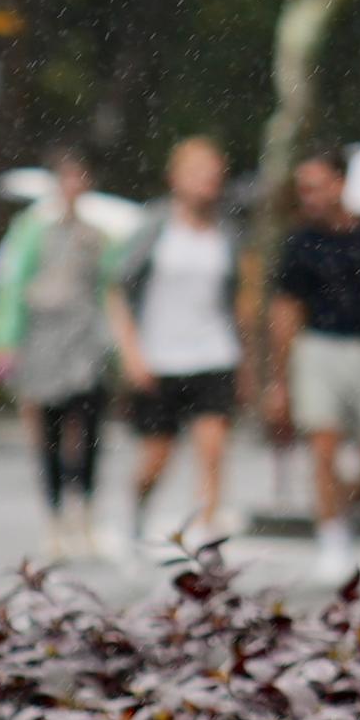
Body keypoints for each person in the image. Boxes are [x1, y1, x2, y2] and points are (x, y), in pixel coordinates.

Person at [265, 152, 360, 580]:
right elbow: (285, 309)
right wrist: (279, 378)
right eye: (304, 189)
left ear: (340, 183)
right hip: (319, 347)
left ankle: (344, 509)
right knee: (324, 444)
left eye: (316, 186)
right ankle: (331, 535)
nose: (309, 197)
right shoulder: (299, 242)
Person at [106, 138, 248, 550]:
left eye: (213, 173)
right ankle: (136, 513)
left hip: (214, 353)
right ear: (175, 177)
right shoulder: (154, 225)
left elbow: (237, 295)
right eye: (198, 172)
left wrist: (247, 360)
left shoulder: (228, 230)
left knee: (213, 449)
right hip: (160, 356)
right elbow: (117, 290)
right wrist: (131, 352)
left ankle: (206, 535)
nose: (207, 181)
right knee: (156, 459)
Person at [0, 145, 120, 559]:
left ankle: (86, 514)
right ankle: (55, 519)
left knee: (91, 430)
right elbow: (11, 290)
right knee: (50, 432)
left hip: (86, 343)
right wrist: (4, 341)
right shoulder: (30, 231)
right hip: (44, 342)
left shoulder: (98, 236)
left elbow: (109, 293)